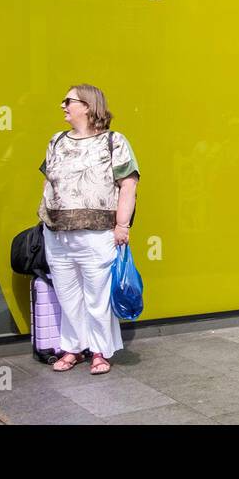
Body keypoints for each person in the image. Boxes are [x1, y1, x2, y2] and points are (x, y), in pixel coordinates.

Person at [40, 84, 140, 373]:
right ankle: (73, 348)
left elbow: (128, 185)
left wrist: (122, 224)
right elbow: (49, 182)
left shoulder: (114, 141)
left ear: (87, 105)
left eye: (68, 101)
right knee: (67, 294)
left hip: (97, 233)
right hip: (58, 232)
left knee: (97, 296)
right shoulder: (56, 140)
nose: (63, 106)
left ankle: (99, 350)